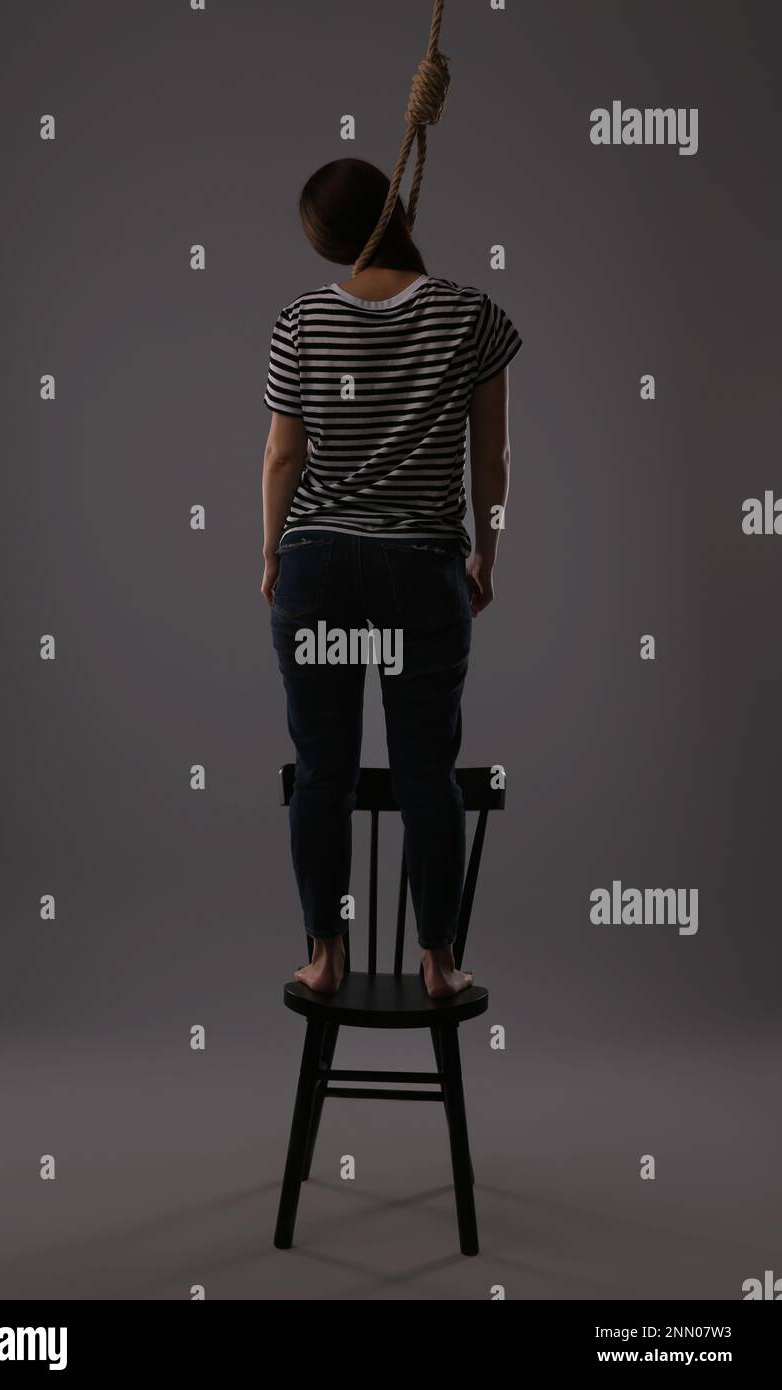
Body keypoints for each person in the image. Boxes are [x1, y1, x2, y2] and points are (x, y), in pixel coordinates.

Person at [261, 157, 522, 999]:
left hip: (319, 567)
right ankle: (439, 963)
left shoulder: (301, 319)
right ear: (396, 208)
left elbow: (282, 455)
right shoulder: (472, 315)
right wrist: (486, 552)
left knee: (323, 770)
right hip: (422, 568)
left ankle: (325, 958)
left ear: (329, 242)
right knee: (425, 776)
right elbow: (493, 458)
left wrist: (272, 552)